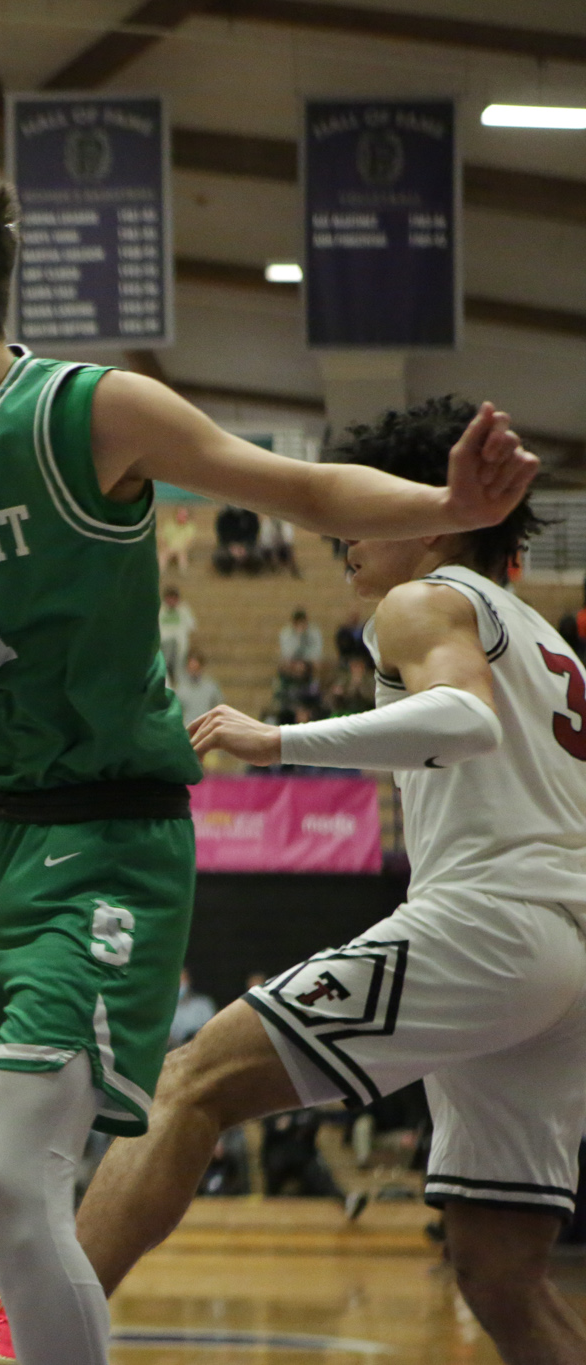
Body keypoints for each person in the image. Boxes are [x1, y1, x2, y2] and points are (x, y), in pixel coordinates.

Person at [0, 163, 538, 1365]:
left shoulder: (88, 412)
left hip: (108, 837)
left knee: (8, 1178)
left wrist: (444, 501)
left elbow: (301, 486)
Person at [68, 397, 584, 1365]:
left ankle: (26, 1337)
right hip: (568, 959)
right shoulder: (546, 638)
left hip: (492, 923)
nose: (343, 534)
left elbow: (464, 720)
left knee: (189, 1083)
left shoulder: (423, 598)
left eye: (364, 509)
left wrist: (277, 741)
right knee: (500, 1277)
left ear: (428, 516)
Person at [167, 970, 215, 1049]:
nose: (180, 985)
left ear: (189, 981)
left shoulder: (204, 1004)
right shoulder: (168, 1012)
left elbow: (214, 1032)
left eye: (182, 980)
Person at [172, 652, 223, 725]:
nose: (193, 671)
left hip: (206, 728)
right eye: (191, 668)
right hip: (187, 728)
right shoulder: (180, 689)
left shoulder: (211, 688)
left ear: (201, 667)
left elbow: (219, 708)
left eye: (196, 668)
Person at [156, 504, 196, 574]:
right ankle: (160, 573)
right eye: (180, 514)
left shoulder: (190, 527)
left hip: (181, 549)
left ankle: (183, 574)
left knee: (182, 556)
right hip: (168, 548)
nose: (181, 516)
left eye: (184, 515)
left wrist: (180, 548)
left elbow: (189, 541)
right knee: (162, 555)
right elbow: (162, 538)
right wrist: (164, 547)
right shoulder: (169, 524)